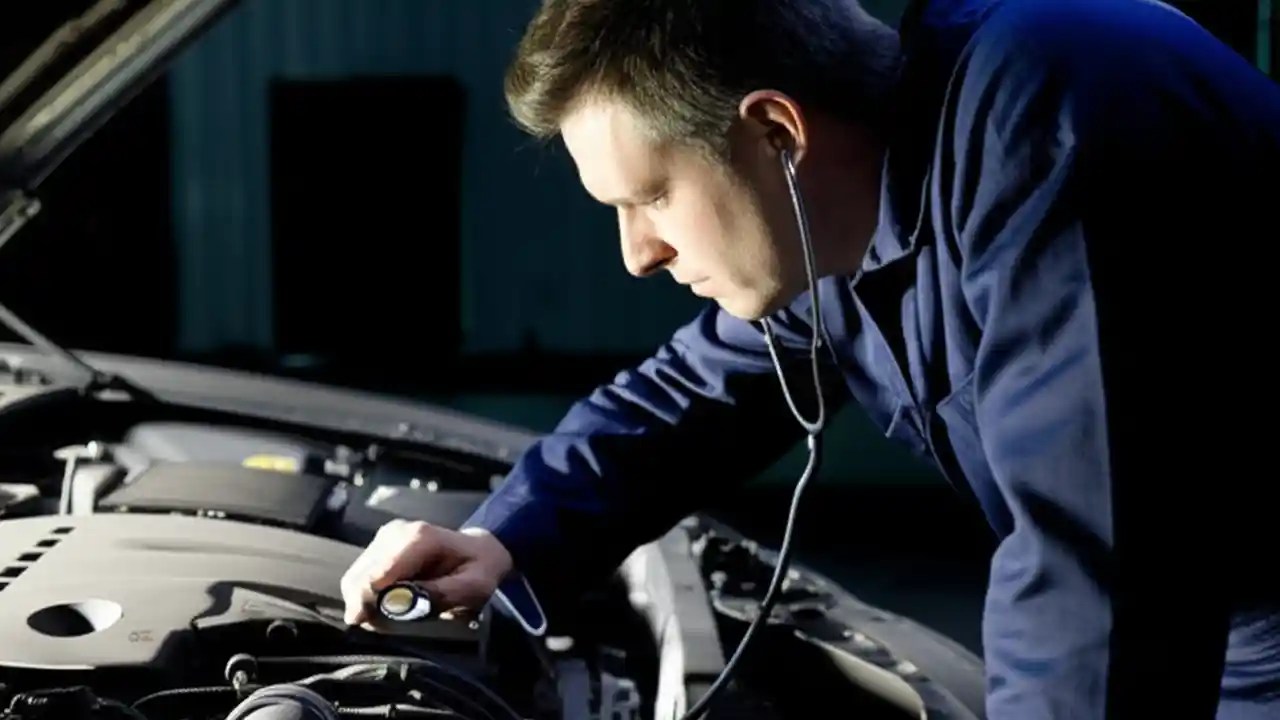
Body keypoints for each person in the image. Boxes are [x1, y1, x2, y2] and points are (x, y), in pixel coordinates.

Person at [341, 0, 1280, 716]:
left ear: (778, 133)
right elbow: (688, 394)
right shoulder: (843, 214)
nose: (636, 254)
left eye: (653, 198)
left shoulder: (1055, 116)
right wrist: (503, 541)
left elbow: (1095, 572)